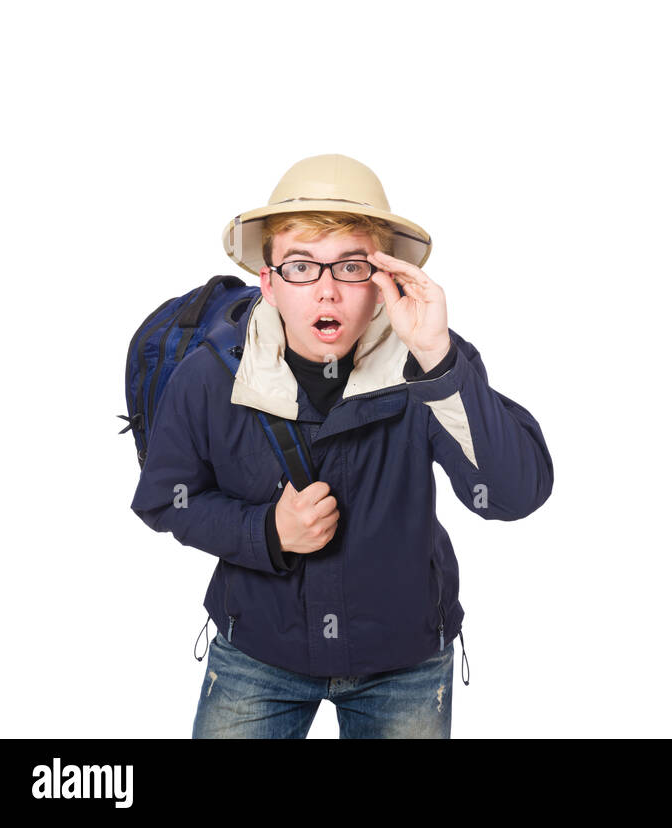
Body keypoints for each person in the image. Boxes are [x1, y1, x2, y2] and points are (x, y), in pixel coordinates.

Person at [131, 154, 554, 738]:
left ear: (382, 283)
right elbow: (165, 499)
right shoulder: (210, 377)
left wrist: (439, 361)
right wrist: (265, 533)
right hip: (258, 648)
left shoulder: (428, 364)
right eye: (301, 266)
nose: (326, 291)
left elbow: (513, 494)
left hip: (400, 659)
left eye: (351, 266)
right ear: (270, 282)